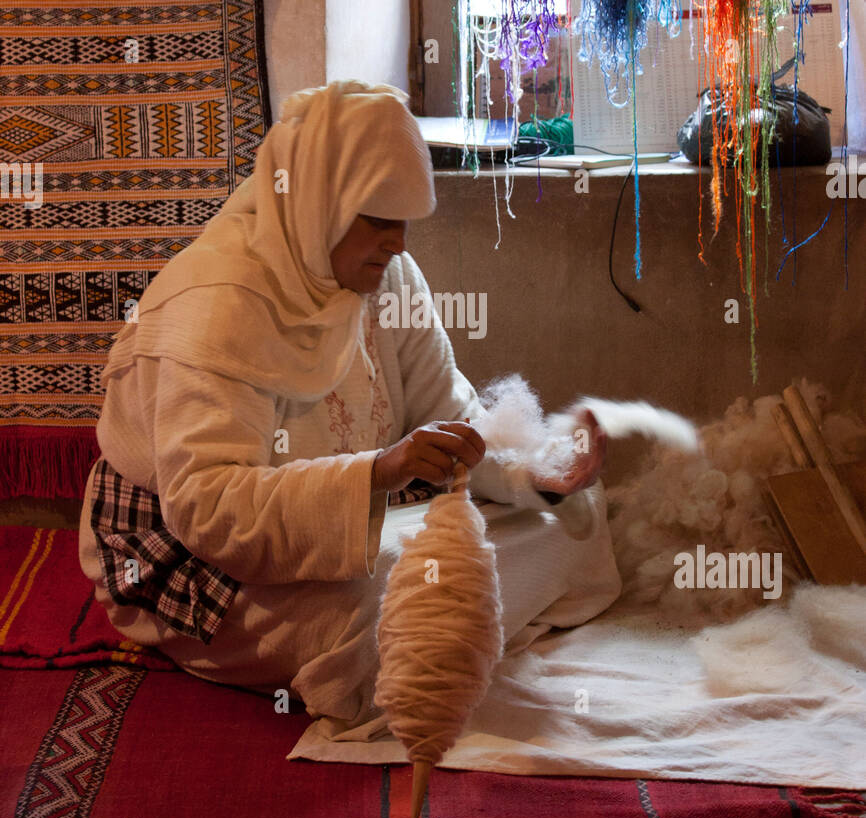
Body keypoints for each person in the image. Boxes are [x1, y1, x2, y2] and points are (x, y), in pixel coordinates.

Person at [78, 81, 622, 739]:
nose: (397, 242)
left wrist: (533, 473)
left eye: (404, 223)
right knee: (386, 610)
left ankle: (457, 624)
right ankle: (437, 633)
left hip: (350, 516)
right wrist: (375, 474)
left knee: (577, 520)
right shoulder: (217, 304)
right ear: (319, 201)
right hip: (195, 556)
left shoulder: (388, 273)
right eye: (378, 219)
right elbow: (207, 509)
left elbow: (448, 411)